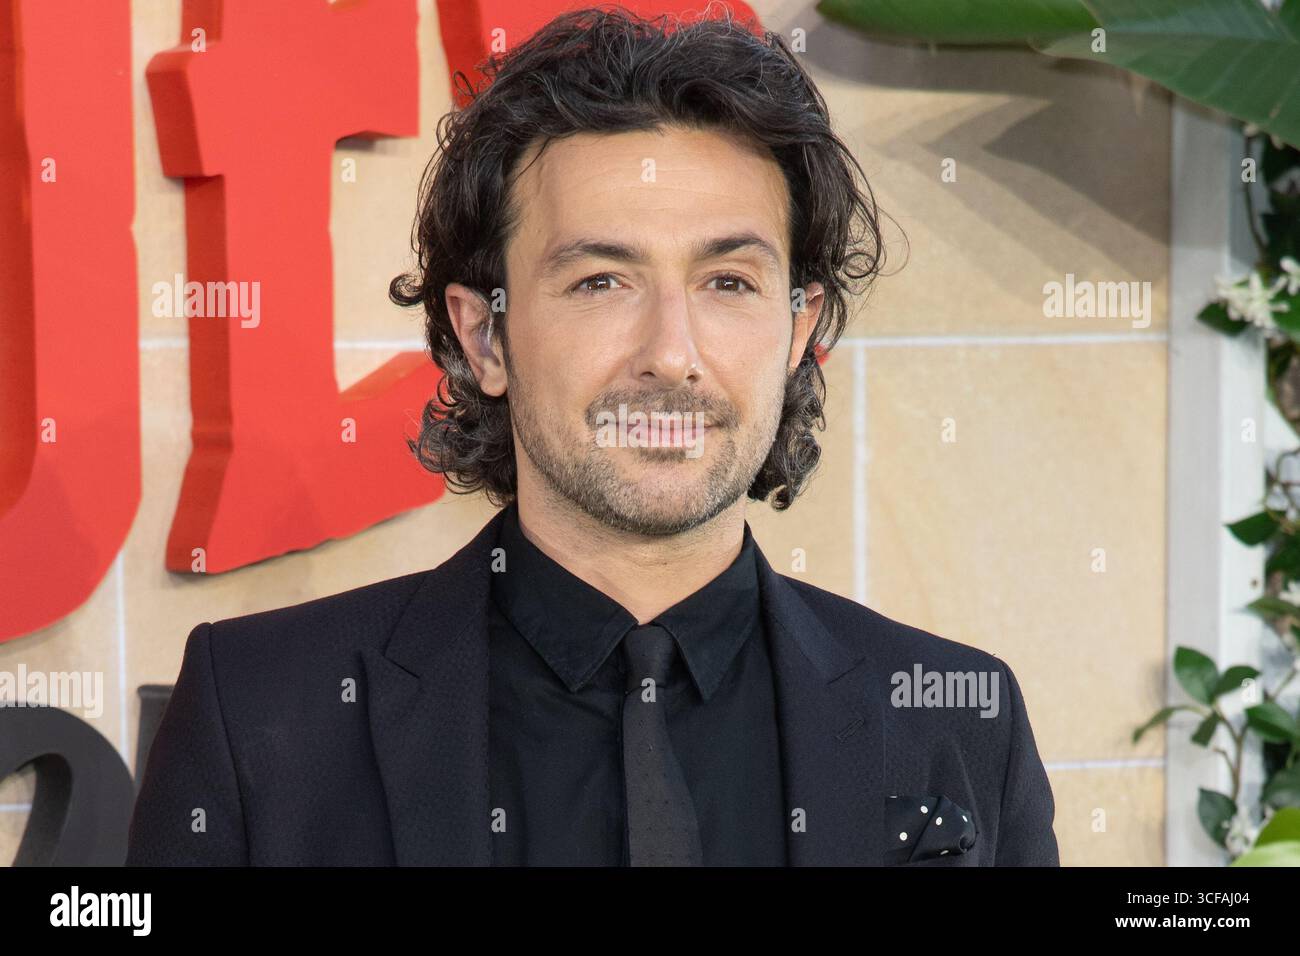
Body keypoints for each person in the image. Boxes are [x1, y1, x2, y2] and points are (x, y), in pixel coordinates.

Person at [126, 5, 1058, 867]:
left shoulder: (959, 720)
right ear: (485, 336)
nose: (671, 354)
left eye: (729, 283)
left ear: (800, 331)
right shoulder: (259, 713)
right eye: (601, 282)